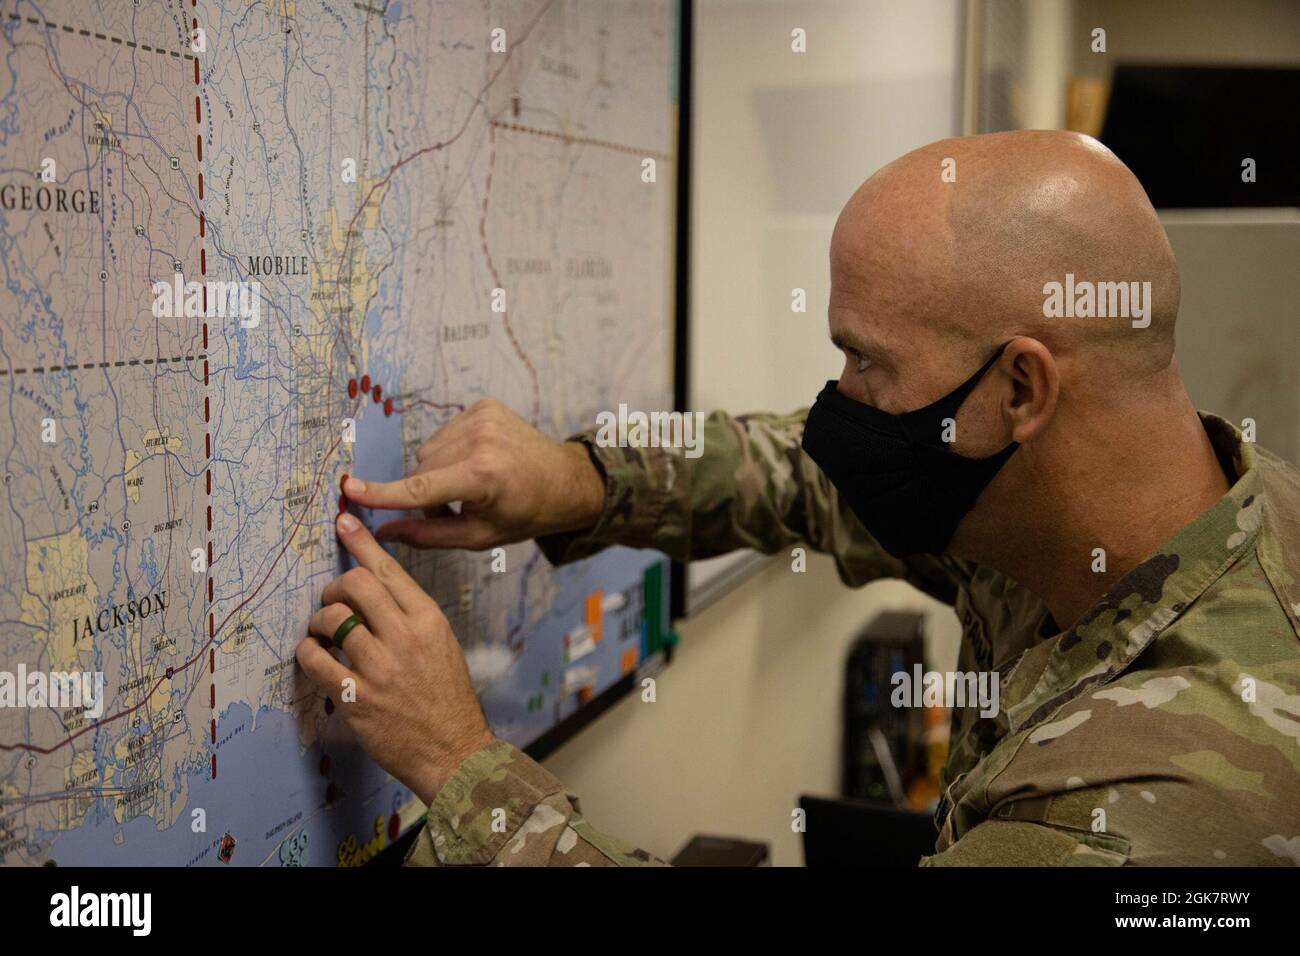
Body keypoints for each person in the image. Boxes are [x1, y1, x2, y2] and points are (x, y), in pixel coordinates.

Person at [295, 130, 1300, 867]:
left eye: (866, 361)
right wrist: (585, 479)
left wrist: (462, 764)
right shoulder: (1112, 505)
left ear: (1021, 388)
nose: (839, 405)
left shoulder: (1156, 802)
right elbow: (804, 480)